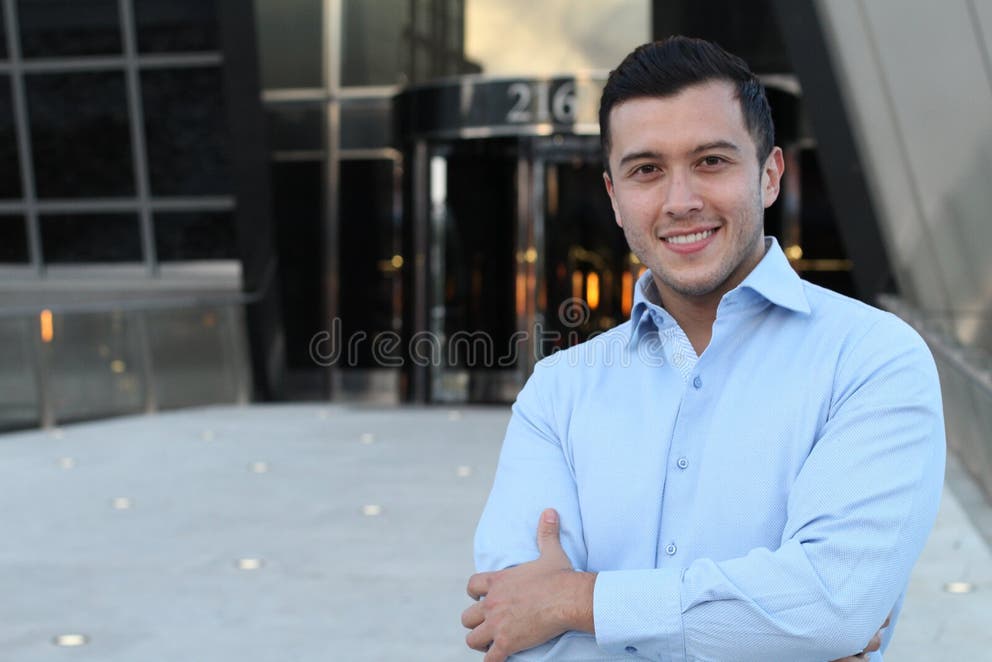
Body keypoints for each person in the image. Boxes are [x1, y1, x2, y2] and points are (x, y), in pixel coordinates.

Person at [461, 36, 945, 661]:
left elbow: (833, 604)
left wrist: (576, 601)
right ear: (614, 197)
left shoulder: (873, 359)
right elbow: (518, 631)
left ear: (769, 175)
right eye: (647, 170)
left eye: (711, 161)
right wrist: (770, 633)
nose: (681, 201)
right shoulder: (558, 390)